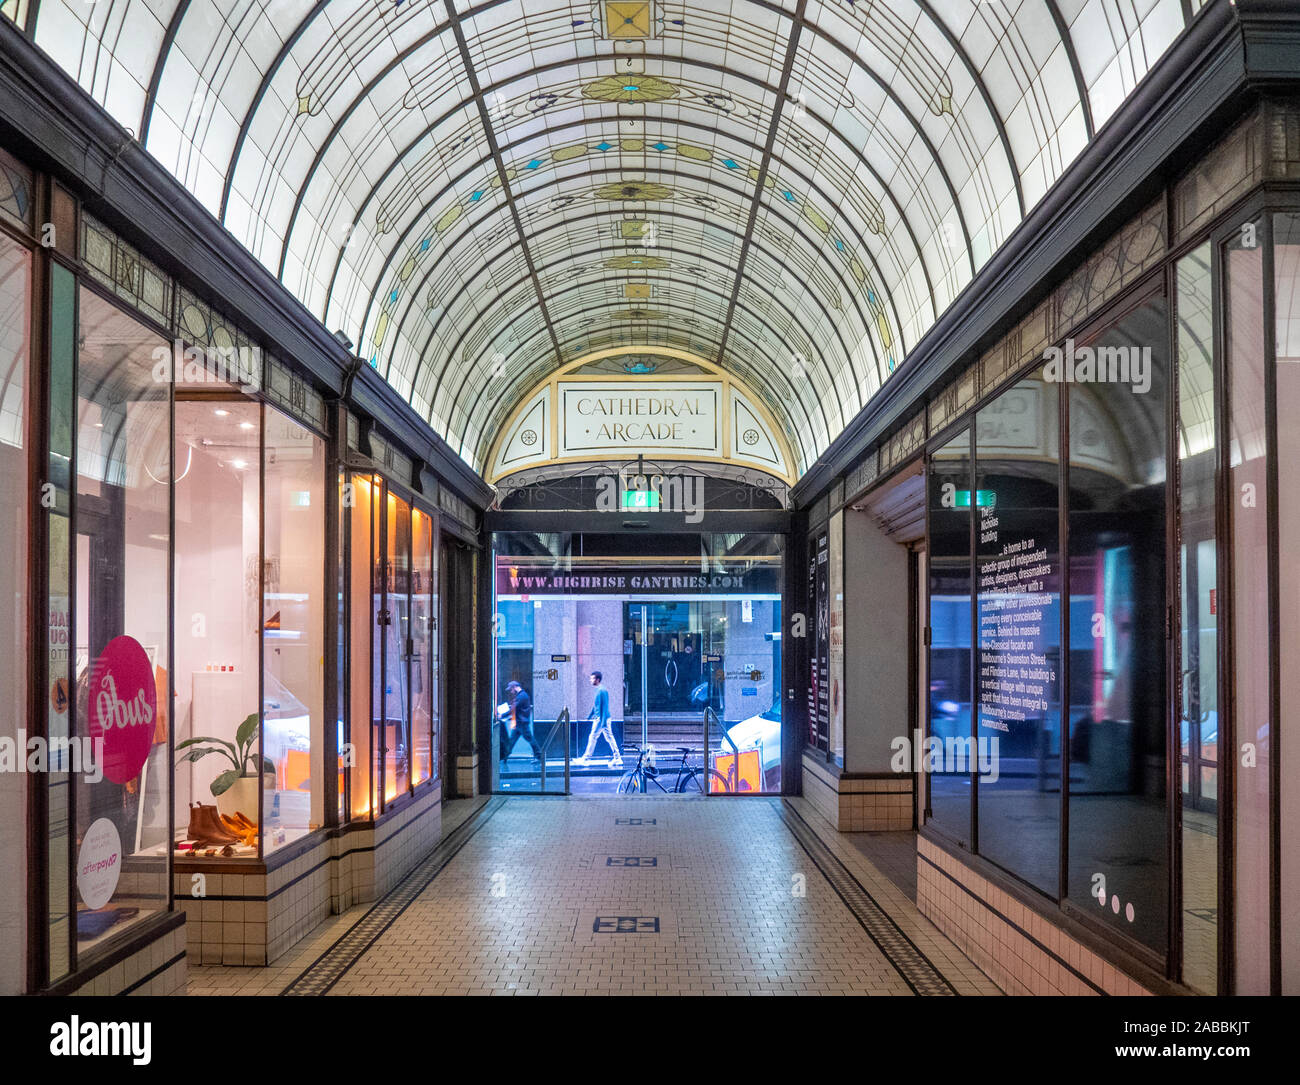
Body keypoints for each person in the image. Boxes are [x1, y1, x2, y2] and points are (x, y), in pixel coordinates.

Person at [575, 671, 622, 768]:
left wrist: (603, 722)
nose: (590, 680)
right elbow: (596, 705)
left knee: (594, 737)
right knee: (608, 738)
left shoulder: (602, 691)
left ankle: (586, 758)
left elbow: (604, 707)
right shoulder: (598, 690)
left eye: (592, 678)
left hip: (601, 719)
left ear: (597, 680)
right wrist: (590, 715)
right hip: (600, 718)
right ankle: (617, 758)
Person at [500, 681, 543, 766]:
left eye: (511, 689)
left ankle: (539, 757)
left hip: (522, 724)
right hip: (519, 723)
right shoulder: (521, 695)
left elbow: (513, 709)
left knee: (530, 739)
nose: (510, 691)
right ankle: (505, 757)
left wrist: (502, 715)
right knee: (511, 741)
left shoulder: (522, 696)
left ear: (515, 687)